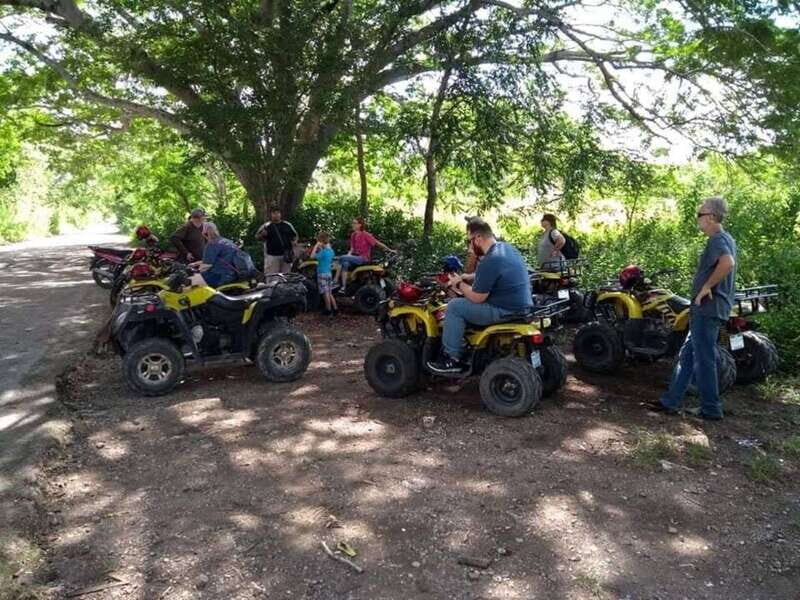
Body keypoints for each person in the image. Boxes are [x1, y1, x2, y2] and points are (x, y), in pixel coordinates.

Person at [651, 196, 737, 420]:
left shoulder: (717, 239)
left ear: (710, 217)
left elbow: (728, 263)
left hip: (708, 308)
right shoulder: (726, 238)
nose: (697, 219)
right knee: (687, 355)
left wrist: (706, 287)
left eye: (699, 215)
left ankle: (711, 409)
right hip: (707, 309)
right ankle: (670, 401)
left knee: (704, 358)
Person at [427, 218, 533, 374]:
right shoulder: (506, 249)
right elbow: (493, 274)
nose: (470, 246)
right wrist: (467, 277)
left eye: (469, 241)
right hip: (521, 306)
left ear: (478, 238)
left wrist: (458, 284)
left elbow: (477, 298)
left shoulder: (490, 260)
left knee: (455, 306)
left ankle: (452, 359)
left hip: (504, 310)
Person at [335, 217, 393, 291]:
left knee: (341, 258)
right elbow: (352, 249)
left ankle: (335, 281)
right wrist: (348, 256)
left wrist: (389, 249)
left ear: (360, 225)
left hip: (363, 258)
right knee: (345, 263)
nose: (352, 225)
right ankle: (343, 287)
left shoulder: (366, 235)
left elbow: (377, 243)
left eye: (354, 223)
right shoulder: (353, 235)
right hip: (355, 257)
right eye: (352, 223)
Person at [188, 222, 239, 288]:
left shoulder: (212, 244)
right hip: (234, 275)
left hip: (220, 276)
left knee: (189, 282)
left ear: (204, 233)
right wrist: (195, 264)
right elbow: (220, 258)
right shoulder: (227, 241)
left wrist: (197, 272)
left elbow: (206, 266)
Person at [255, 208, 298, 275]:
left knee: (286, 277)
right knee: (272, 277)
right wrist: (262, 235)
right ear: (271, 215)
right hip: (272, 256)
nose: (276, 215)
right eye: (274, 213)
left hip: (286, 256)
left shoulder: (287, 225)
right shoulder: (266, 226)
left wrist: (294, 242)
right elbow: (257, 237)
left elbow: (295, 235)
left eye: (278, 213)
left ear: (280, 214)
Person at [311, 231, 338, 317]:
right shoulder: (331, 251)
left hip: (322, 273)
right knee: (329, 292)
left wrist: (316, 246)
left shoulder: (323, 252)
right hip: (329, 273)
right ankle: (335, 309)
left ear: (321, 241)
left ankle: (328, 310)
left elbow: (312, 256)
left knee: (325, 292)